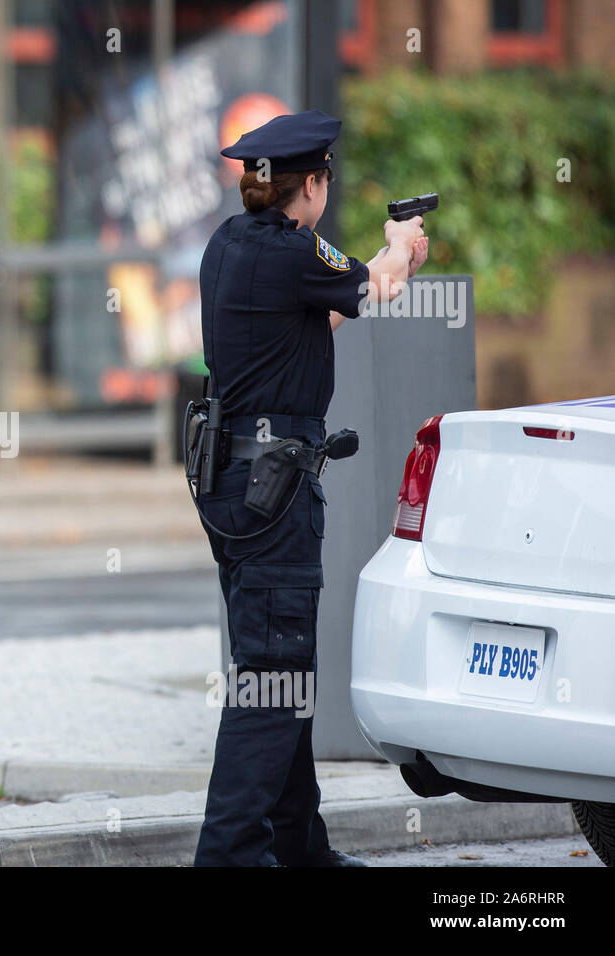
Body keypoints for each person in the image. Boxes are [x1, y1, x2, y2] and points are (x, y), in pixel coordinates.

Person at [191, 110, 427, 867]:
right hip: (273, 488)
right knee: (272, 673)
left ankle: (297, 848)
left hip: (233, 479)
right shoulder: (297, 250)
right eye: (326, 177)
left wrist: (372, 277)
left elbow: (305, 321)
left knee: (278, 663)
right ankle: (227, 856)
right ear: (313, 185)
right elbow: (374, 286)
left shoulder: (229, 243)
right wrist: (400, 248)